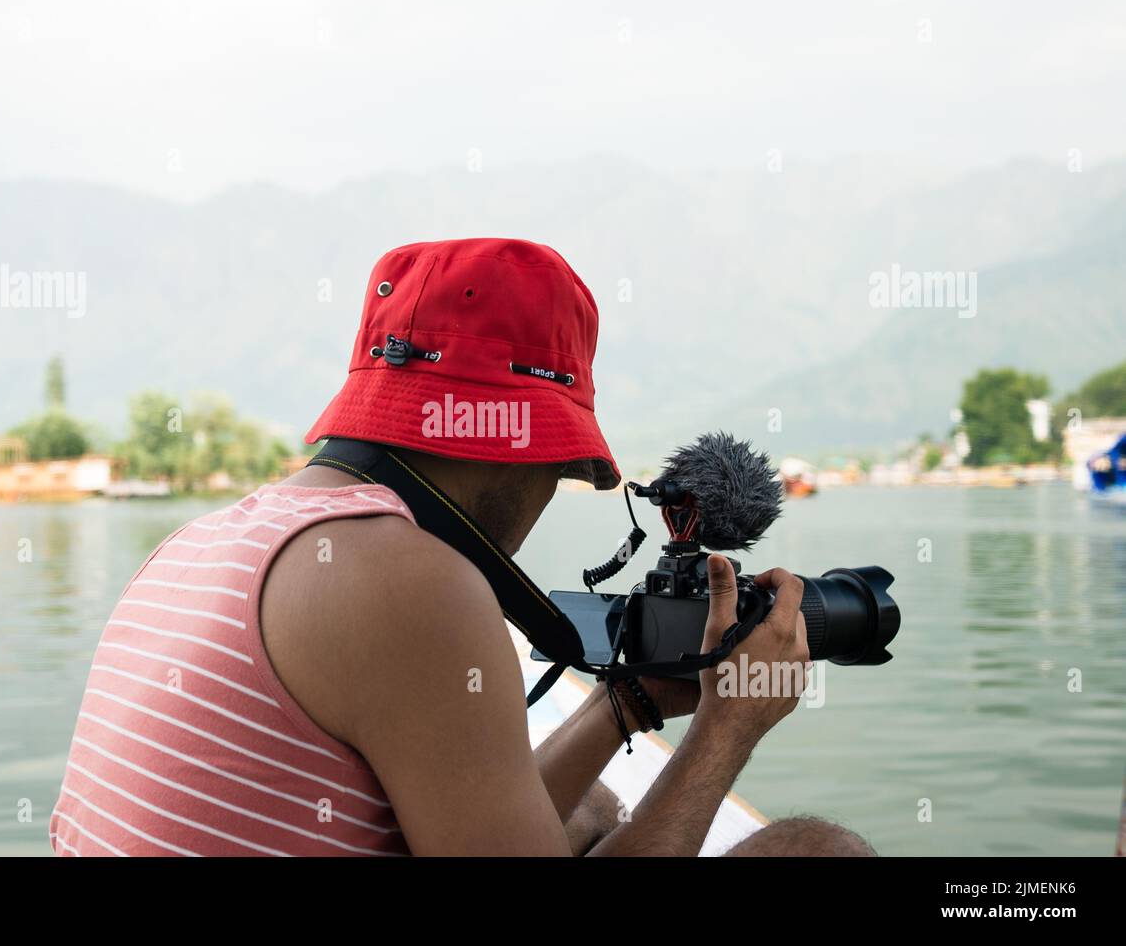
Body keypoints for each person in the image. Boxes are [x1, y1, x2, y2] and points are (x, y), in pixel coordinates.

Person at [50, 238, 873, 856]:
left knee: (576, 813)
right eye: (563, 467)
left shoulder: (209, 542)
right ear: (530, 447)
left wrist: (627, 703)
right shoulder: (406, 580)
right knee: (814, 853)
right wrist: (729, 727)